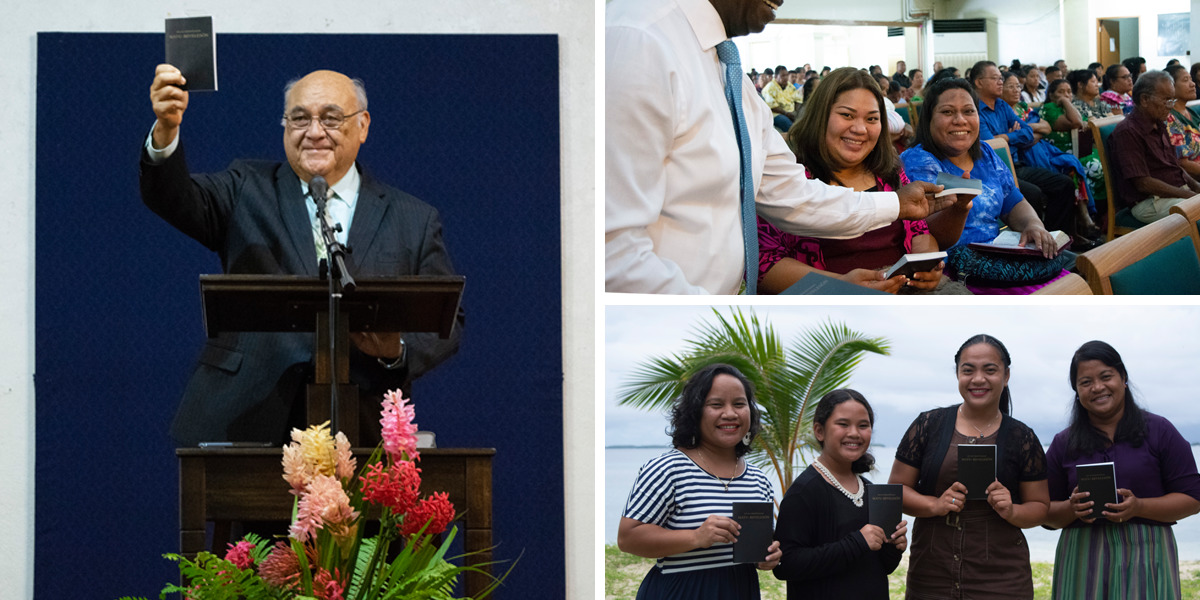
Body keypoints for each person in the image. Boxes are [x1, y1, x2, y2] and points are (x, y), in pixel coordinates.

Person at [141, 67, 464, 447]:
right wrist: (165, 129)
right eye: (299, 118)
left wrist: (396, 350)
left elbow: (447, 322)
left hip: (359, 426)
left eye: (330, 118)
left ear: (362, 126)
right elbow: (171, 197)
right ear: (284, 126)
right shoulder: (245, 188)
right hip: (245, 420)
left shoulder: (414, 219)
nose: (313, 132)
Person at [605, 0, 944, 295]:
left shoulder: (724, 68)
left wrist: (894, 204)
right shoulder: (640, 38)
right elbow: (612, 251)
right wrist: (709, 321)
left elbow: (793, 195)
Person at [757, 67, 968, 295]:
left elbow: (919, 231)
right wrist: (841, 286)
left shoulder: (890, 173)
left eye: (872, 119)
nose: (860, 129)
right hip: (829, 302)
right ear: (820, 116)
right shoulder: (787, 178)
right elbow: (765, 265)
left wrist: (925, 267)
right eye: (846, 115)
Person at [888, 334, 1050, 599]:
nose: (978, 379)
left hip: (1001, 575)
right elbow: (896, 488)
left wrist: (1011, 510)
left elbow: (1040, 508)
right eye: (968, 370)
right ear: (957, 375)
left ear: (1006, 375)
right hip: (932, 570)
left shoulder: (1023, 437)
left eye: (990, 370)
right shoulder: (928, 425)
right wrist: (934, 505)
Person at [1043, 341, 1200, 599]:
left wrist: (1139, 507)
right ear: (1077, 390)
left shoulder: (1160, 431)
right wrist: (1071, 509)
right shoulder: (1063, 443)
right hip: (1082, 557)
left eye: (1106, 376)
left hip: (1150, 554)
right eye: (1085, 382)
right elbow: (1043, 510)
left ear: (1123, 378)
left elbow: (1193, 499)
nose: (1098, 388)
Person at [618, 363, 782, 599]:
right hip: (682, 591)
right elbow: (627, 538)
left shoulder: (758, 479)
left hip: (740, 590)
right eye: (716, 404)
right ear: (695, 412)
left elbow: (754, 549)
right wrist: (696, 537)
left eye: (739, 404)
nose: (730, 413)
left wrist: (766, 558)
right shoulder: (668, 469)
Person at [901, 78, 1074, 293]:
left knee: (1076, 280)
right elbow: (924, 232)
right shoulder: (919, 162)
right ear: (929, 119)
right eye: (947, 112)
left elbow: (1014, 201)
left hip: (999, 259)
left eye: (968, 111)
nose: (960, 120)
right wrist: (959, 209)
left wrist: (1033, 225)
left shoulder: (985, 153)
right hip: (955, 270)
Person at [772, 389, 908, 598]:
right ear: (819, 431)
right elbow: (785, 564)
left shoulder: (871, 490)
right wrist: (856, 543)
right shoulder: (804, 492)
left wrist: (894, 547)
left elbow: (882, 567)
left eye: (863, 425)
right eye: (843, 424)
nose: (854, 433)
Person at [970, 60, 1098, 248]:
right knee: (1034, 193)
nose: (1000, 82)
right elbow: (993, 147)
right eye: (995, 78)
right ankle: (1031, 246)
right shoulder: (975, 110)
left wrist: (1007, 136)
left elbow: (1026, 132)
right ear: (979, 82)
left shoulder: (1002, 106)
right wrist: (1013, 137)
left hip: (1018, 164)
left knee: (1064, 184)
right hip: (997, 170)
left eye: (1000, 78)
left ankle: (1058, 240)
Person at [1109, 70, 1200, 224]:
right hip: (1150, 202)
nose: (1170, 107)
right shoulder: (1128, 131)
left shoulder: (1159, 124)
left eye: (1172, 100)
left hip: (1174, 193)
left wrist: (1196, 186)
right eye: (1166, 101)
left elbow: (1175, 166)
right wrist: (1190, 197)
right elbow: (1143, 183)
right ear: (1144, 99)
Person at [1164, 64, 1200, 178]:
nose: (1193, 84)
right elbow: (1183, 164)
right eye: (1185, 80)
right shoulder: (1169, 118)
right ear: (1170, 87)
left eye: (1191, 79)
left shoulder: (1191, 112)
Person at [762, 65, 801, 131]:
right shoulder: (770, 87)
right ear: (776, 76)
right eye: (783, 76)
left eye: (786, 75)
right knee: (786, 122)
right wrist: (787, 114)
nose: (786, 78)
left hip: (790, 112)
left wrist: (797, 112)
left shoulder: (790, 86)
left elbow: (797, 100)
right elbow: (772, 106)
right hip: (777, 114)